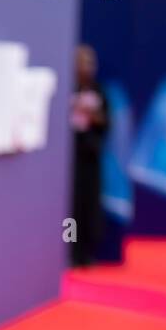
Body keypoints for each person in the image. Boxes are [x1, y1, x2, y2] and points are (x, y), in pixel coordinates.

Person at [70, 44, 110, 267]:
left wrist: (93, 116)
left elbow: (106, 124)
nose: (87, 67)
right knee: (71, 208)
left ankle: (86, 253)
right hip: (70, 160)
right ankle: (71, 250)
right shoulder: (69, 89)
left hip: (90, 160)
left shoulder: (99, 92)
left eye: (90, 62)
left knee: (88, 207)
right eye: (83, 62)